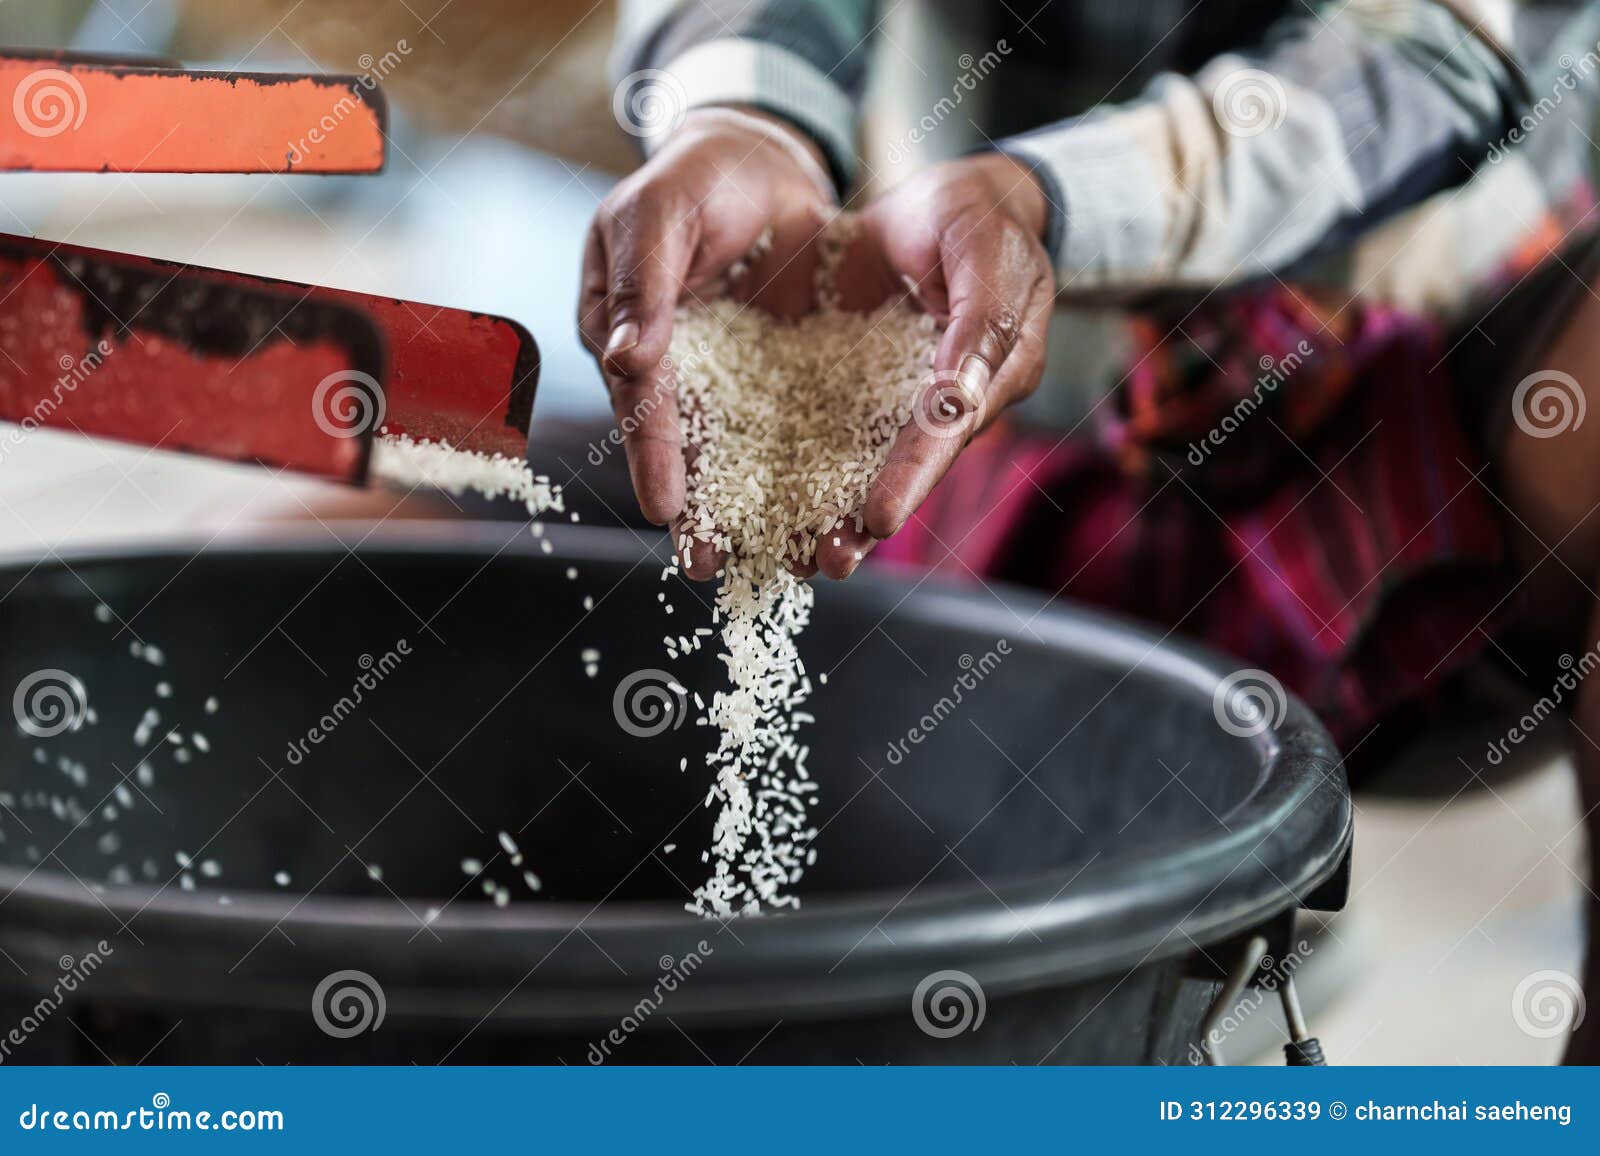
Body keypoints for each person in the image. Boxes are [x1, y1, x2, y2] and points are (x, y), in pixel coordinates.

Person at [574, 0, 1600, 1061]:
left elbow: (1430, 53)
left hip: (1412, 447)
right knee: (417, 465)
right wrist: (742, 124)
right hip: (943, 410)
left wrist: (1044, 202)